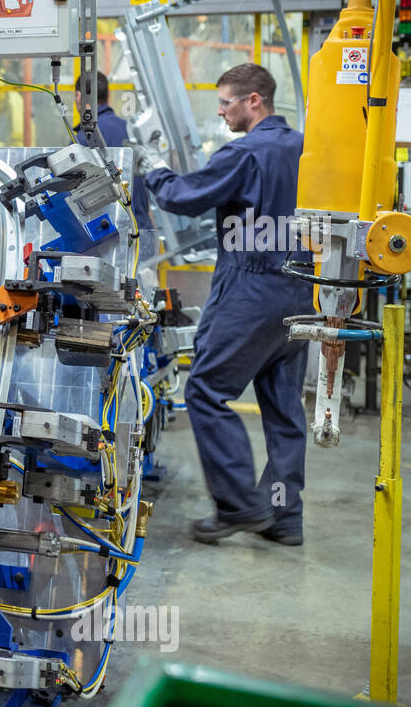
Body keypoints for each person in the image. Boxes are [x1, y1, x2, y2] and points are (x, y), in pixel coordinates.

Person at [133, 63, 309, 545]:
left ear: (255, 101)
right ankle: (283, 516)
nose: (221, 110)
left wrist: (154, 170)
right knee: (284, 410)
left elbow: (185, 197)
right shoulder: (305, 149)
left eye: (227, 101)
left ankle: (239, 507)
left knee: (206, 392)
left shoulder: (246, 153)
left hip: (252, 290)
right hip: (303, 292)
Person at [75, 71, 153, 230]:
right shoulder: (131, 131)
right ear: (108, 95)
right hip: (141, 226)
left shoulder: (82, 139)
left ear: (78, 96)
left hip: (107, 233)